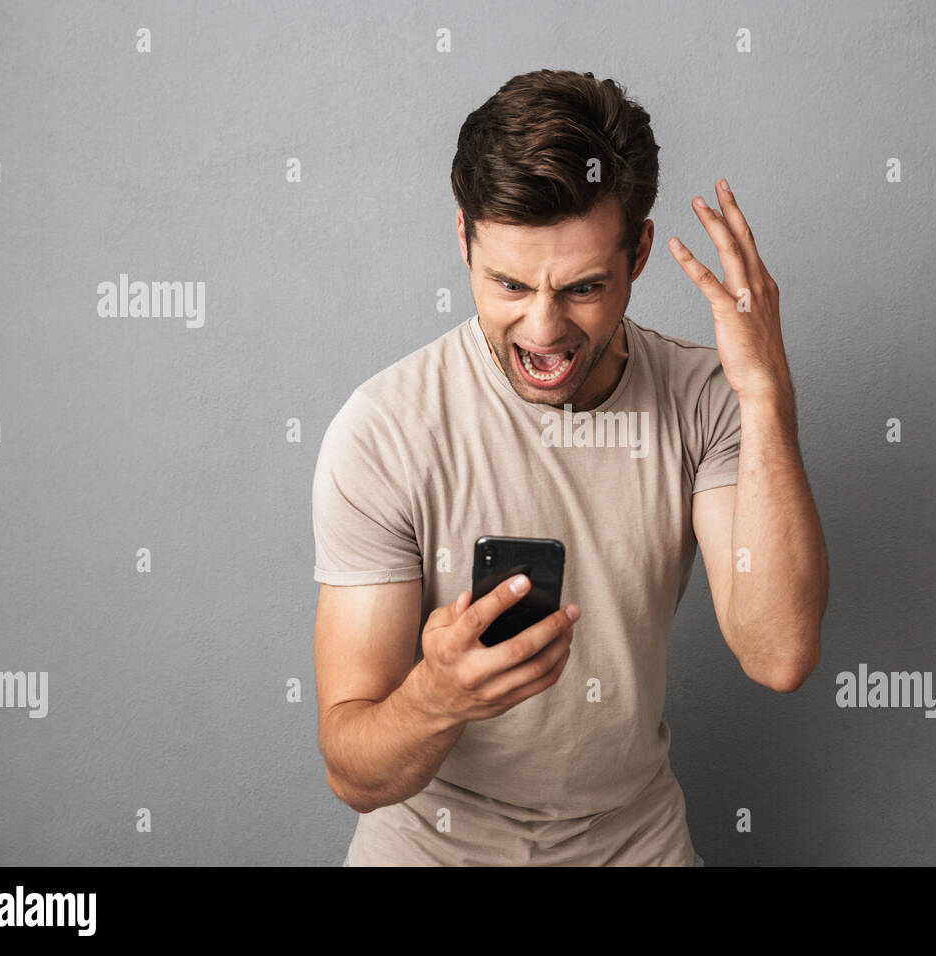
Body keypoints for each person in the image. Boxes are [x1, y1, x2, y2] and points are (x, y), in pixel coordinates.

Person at [311, 69, 828, 866]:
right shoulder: (385, 431)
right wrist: (435, 698)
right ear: (464, 243)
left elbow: (779, 652)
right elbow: (353, 769)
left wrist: (766, 393)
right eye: (509, 284)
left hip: (634, 841)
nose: (543, 330)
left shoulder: (707, 402)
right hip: (429, 846)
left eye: (584, 286)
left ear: (641, 252)